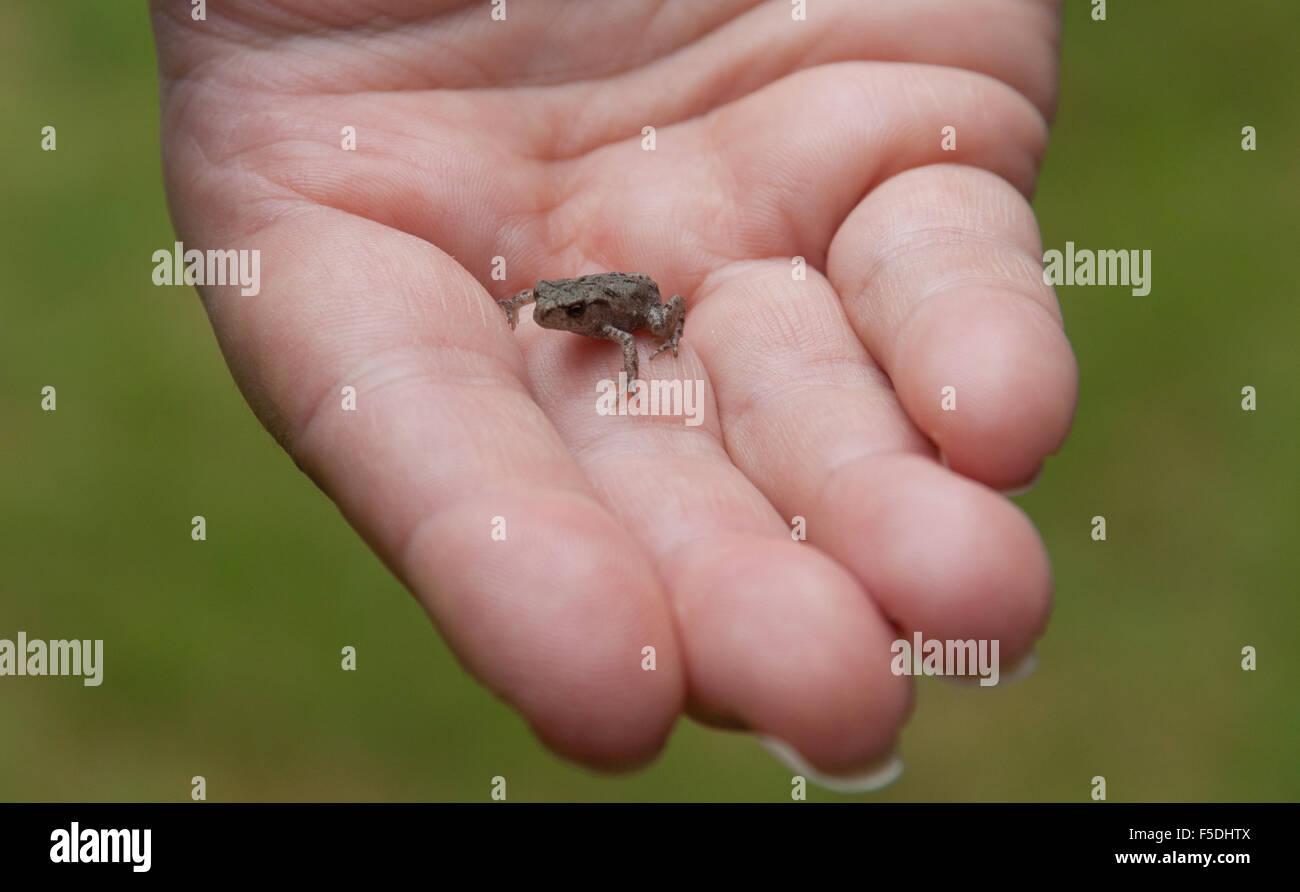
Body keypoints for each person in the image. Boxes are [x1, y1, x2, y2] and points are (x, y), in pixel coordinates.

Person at [149, 0, 1076, 791]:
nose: (562, 319)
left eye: (569, 310)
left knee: (671, 324)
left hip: (640, 294)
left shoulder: (612, 320)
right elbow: (543, 299)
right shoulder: (565, 309)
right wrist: (521, 305)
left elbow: (635, 325)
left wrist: (649, 355)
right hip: (605, 278)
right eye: (561, 309)